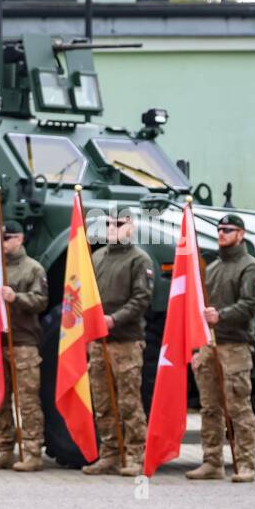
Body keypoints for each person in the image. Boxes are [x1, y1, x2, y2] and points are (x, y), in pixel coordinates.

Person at [186, 213, 255, 483]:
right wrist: (199, 345)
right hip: (210, 345)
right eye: (219, 229)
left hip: (235, 345)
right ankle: (212, 462)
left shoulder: (250, 267)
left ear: (240, 234)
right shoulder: (213, 267)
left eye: (228, 230)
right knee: (209, 407)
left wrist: (221, 315)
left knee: (238, 406)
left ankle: (245, 463)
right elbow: (200, 308)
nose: (222, 233)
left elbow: (249, 305)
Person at [84, 204, 154, 477]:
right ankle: (110, 454)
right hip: (100, 342)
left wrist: (114, 319)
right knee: (103, 400)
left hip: (126, 340)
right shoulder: (98, 257)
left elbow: (141, 299)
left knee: (128, 401)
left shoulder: (140, 260)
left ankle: (136, 454)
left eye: (121, 224)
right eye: (111, 224)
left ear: (132, 227)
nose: (114, 229)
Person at [0, 220, 48, 472]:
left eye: (7, 238)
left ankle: (32, 452)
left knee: (27, 400)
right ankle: (5, 449)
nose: (3, 243)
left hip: (23, 343)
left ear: (19, 239)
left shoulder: (33, 269)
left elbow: (41, 300)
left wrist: (15, 298)